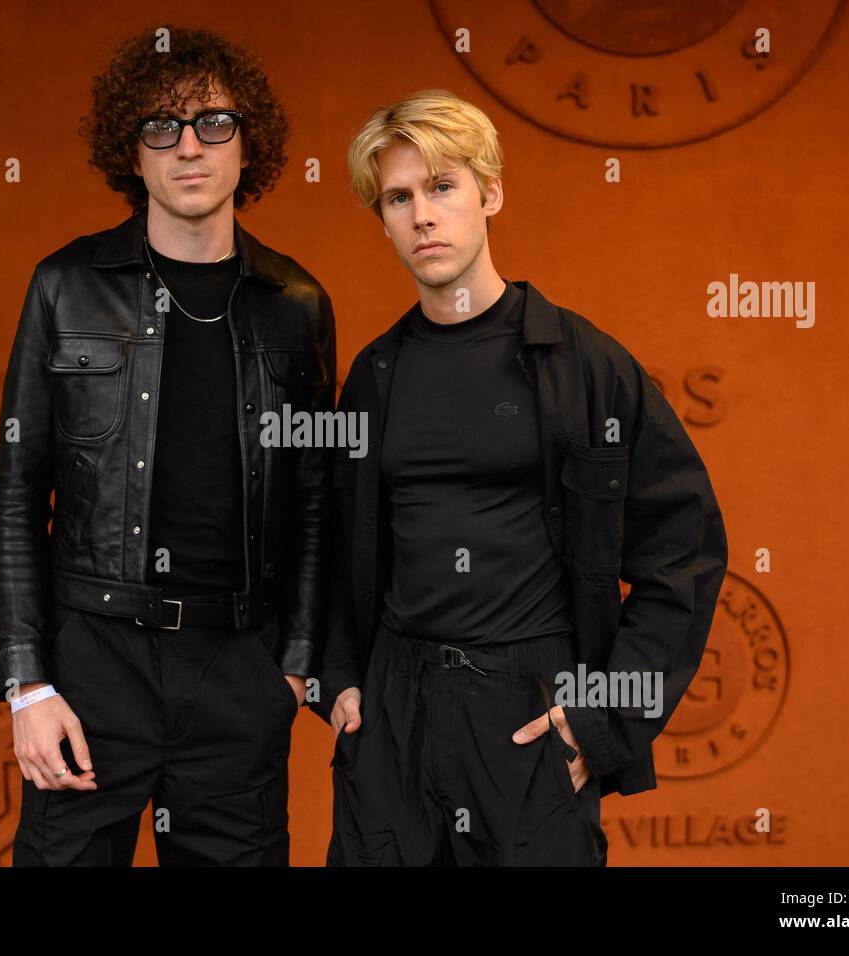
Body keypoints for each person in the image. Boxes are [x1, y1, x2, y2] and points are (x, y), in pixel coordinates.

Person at [313, 89, 728, 866]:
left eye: (442, 188)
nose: (422, 217)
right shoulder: (374, 377)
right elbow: (335, 550)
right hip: (395, 719)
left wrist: (603, 716)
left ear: (490, 194)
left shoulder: (585, 367)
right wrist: (338, 681)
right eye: (398, 198)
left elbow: (687, 554)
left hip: (528, 712)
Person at [0, 26, 336, 866]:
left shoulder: (296, 303)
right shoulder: (65, 286)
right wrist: (28, 682)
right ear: (130, 153)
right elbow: (15, 495)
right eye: (161, 127)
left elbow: (318, 504)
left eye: (214, 123)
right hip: (92, 664)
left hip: (237, 671)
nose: (189, 147)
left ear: (247, 146)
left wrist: (289, 672)